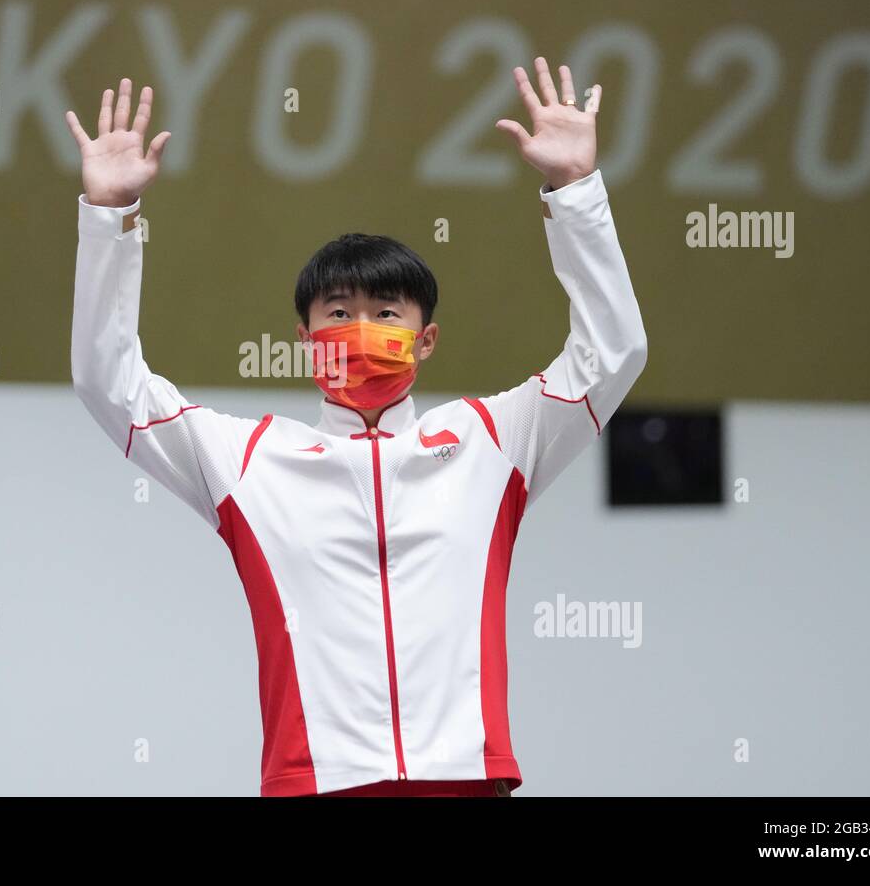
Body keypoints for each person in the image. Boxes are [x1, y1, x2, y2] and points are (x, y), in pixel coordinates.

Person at [66, 59, 646, 797]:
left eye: (386, 312)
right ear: (306, 338)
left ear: (425, 338)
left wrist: (575, 194)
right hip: (317, 783)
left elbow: (614, 352)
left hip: (468, 779)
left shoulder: (493, 441)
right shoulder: (249, 460)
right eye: (338, 313)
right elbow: (107, 383)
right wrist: (110, 219)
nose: (361, 328)